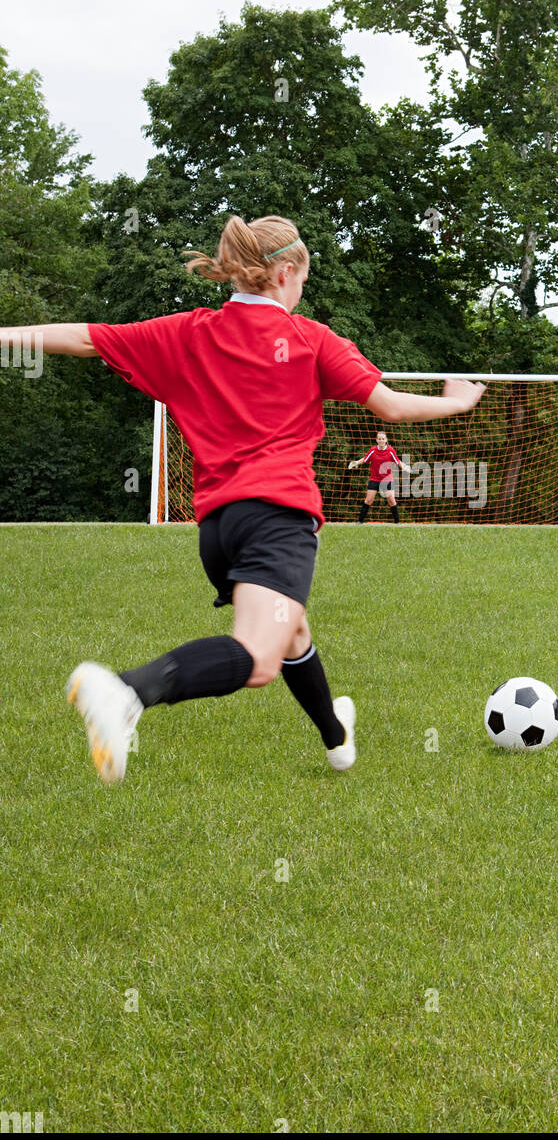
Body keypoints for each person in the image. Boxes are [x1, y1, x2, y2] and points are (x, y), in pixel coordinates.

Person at [0, 214, 485, 783]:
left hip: (218, 530)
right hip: (277, 519)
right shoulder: (310, 339)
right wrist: (457, 401)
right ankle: (127, 692)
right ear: (284, 272)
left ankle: (337, 738)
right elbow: (393, 407)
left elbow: (85, 337)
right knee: (258, 658)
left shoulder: (189, 331)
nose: (303, 289)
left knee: (292, 629)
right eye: (303, 278)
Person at [349, 430, 411, 522]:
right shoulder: (373, 450)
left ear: (386, 440)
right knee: (368, 500)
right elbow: (365, 459)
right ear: (376, 440)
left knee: (391, 500)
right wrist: (357, 462)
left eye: (383, 439)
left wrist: (405, 467)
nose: (381, 440)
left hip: (387, 479)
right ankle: (359, 522)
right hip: (374, 479)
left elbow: (397, 461)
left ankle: (398, 523)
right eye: (379, 439)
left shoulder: (390, 451)